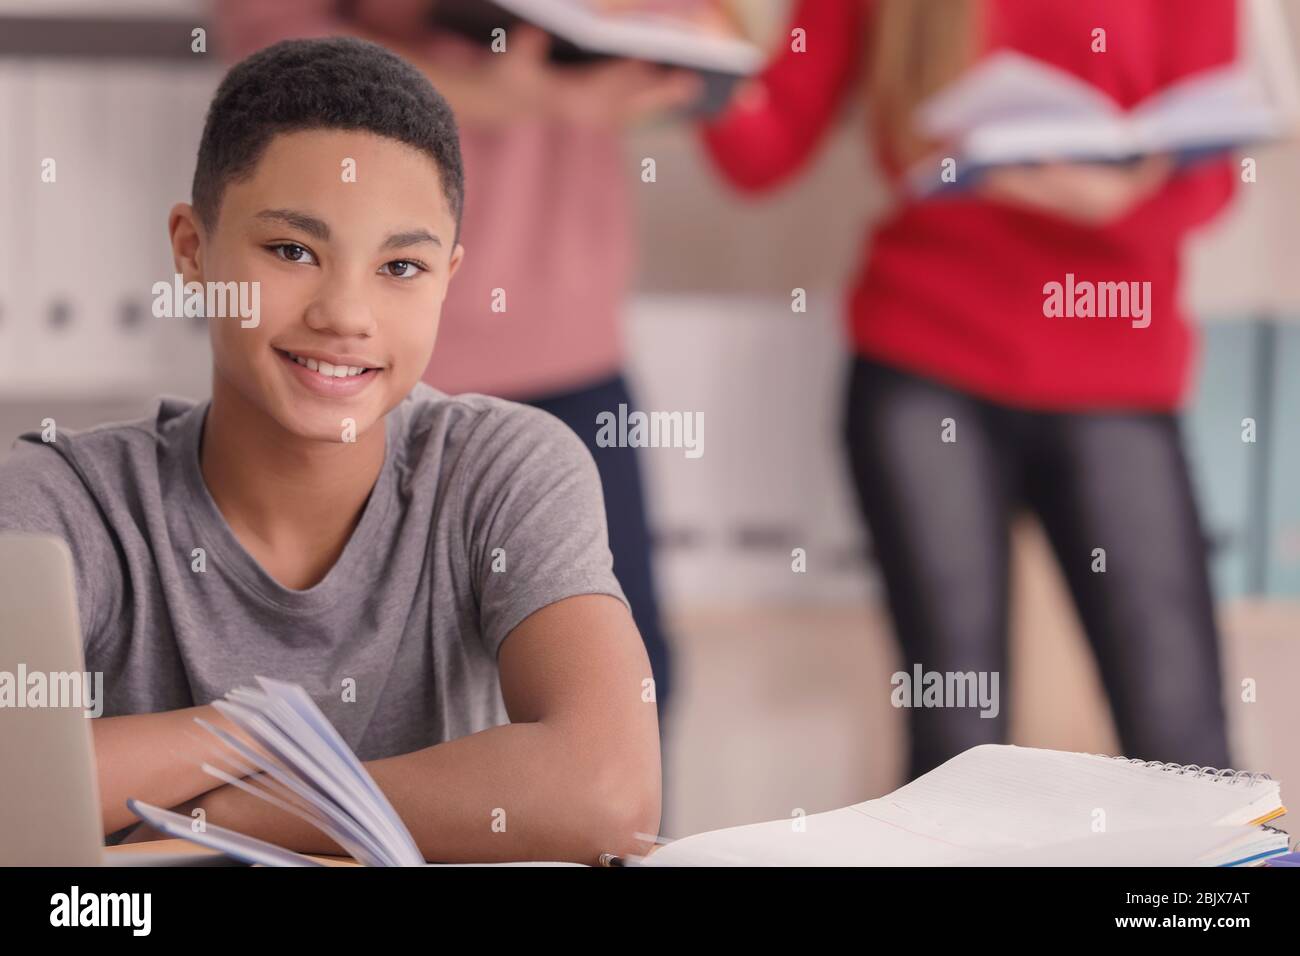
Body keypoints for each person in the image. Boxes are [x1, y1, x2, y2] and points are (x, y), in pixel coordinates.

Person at [0, 37, 660, 863]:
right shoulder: (62, 502)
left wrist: (229, 815)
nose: (347, 314)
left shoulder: (504, 468)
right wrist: (247, 730)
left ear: (450, 278)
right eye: (292, 252)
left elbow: (606, 792)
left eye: (402, 266)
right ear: (192, 250)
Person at [699, 0, 1239, 779]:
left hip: (1117, 372)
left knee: (1189, 749)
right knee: (956, 747)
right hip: (923, 363)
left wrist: (1124, 202)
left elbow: (1216, 175)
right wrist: (702, 60)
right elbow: (764, 151)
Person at [213, 0, 720, 735]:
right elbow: (277, 55)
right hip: (360, 364)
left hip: (570, 342)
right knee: (346, 693)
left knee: (629, 681)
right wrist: (515, 96)